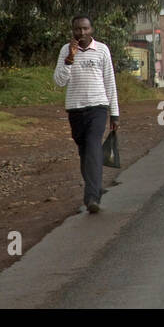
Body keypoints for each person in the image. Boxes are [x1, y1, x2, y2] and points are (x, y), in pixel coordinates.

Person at [53, 15, 119, 215]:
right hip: (75, 109)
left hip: (98, 107)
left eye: (85, 29)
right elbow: (59, 81)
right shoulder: (66, 50)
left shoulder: (102, 50)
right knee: (85, 152)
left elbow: (110, 82)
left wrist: (114, 114)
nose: (81, 33)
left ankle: (91, 197)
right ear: (73, 31)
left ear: (91, 29)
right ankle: (95, 188)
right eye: (77, 30)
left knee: (92, 147)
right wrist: (70, 59)